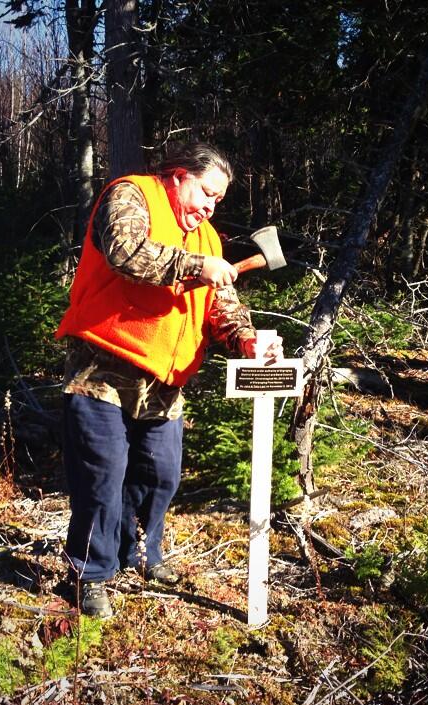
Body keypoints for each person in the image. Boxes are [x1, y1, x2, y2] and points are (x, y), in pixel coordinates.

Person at [54, 142, 282, 617]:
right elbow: (127, 251)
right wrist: (198, 267)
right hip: (104, 366)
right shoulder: (131, 196)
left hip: (164, 380)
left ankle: (138, 550)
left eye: (219, 200)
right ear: (179, 176)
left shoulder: (210, 242)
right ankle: (89, 575)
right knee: (102, 474)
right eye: (206, 193)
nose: (210, 206)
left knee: (161, 473)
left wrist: (247, 341)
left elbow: (221, 306)